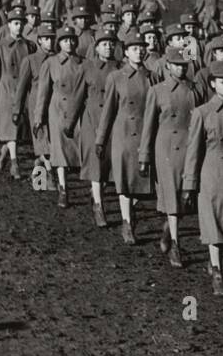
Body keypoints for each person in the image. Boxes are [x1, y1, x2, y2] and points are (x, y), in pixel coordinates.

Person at [182, 64, 223, 296]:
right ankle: (218, 271)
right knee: (215, 228)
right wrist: (189, 184)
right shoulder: (202, 113)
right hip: (213, 177)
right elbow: (193, 151)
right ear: (212, 84)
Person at [140, 48, 206, 267]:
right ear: (167, 65)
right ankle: (177, 246)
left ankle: (169, 229)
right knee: (171, 193)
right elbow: (149, 125)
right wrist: (144, 156)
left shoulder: (194, 90)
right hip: (166, 149)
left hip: (190, 147)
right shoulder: (157, 91)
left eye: (184, 65)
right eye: (176, 65)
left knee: (186, 196)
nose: (181, 68)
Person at [95, 29, 153, 244]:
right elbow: (108, 111)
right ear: (126, 52)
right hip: (124, 134)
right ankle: (127, 223)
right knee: (126, 181)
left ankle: (131, 211)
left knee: (144, 183)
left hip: (147, 135)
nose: (139, 52)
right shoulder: (116, 77)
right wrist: (101, 139)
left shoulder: (152, 77)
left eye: (141, 48)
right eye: (134, 49)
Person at [34, 27, 87, 208]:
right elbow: (43, 92)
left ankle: (41, 165)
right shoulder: (51, 63)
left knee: (78, 151)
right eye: (65, 40)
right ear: (60, 43)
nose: (69, 44)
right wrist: (38, 117)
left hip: (78, 112)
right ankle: (63, 189)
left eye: (72, 40)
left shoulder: (83, 63)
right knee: (60, 153)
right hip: (57, 111)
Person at [0, 6, 33, 178]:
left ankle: (4, 155)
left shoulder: (30, 45)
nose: (18, 27)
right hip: (5, 91)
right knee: (11, 128)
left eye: (21, 23)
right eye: (15, 23)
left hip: (24, 92)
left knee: (18, 130)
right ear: (9, 25)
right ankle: (15, 164)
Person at [79, 30, 119, 228]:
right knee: (95, 163)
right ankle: (99, 206)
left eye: (111, 43)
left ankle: (98, 194)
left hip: (113, 121)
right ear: (96, 47)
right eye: (104, 44)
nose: (108, 47)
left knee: (109, 164)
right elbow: (79, 97)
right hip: (92, 119)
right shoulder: (88, 67)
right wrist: (70, 123)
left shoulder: (120, 68)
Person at [14, 21, 56, 182]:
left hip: (53, 105)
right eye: (46, 39)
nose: (50, 42)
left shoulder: (58, 60)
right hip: (36, 106)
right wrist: (17, 110)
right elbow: (21, 89)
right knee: (42, 141)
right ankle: (48, 177)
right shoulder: (30, 60)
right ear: (39, 41)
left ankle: (38, 171)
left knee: (48, 143)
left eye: (52, 39)